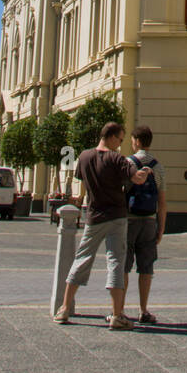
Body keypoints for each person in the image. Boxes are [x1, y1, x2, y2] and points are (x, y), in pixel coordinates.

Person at [53, 122, 151, 330]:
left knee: (82, 258)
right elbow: (136, 178)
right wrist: (143, 174)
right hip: (116, 216)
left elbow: (81, 180)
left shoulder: (84, 157)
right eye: (120, 139)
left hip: (94, 216)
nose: (121, 143)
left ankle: (63, 309)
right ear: (113, 137)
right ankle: (117, 315)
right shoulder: (117, 158)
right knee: (115, 261)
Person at [122, 125, 167, 325]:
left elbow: (120, 192)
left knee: (123, 266)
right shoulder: (158, 167)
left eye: (132, 141)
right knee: (146, 267)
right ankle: (143, 310)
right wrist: (161, 228)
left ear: (137, 141)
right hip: (149, 220)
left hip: (128, 220)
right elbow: (163, 202)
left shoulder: (127, 163)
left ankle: (119, 309)